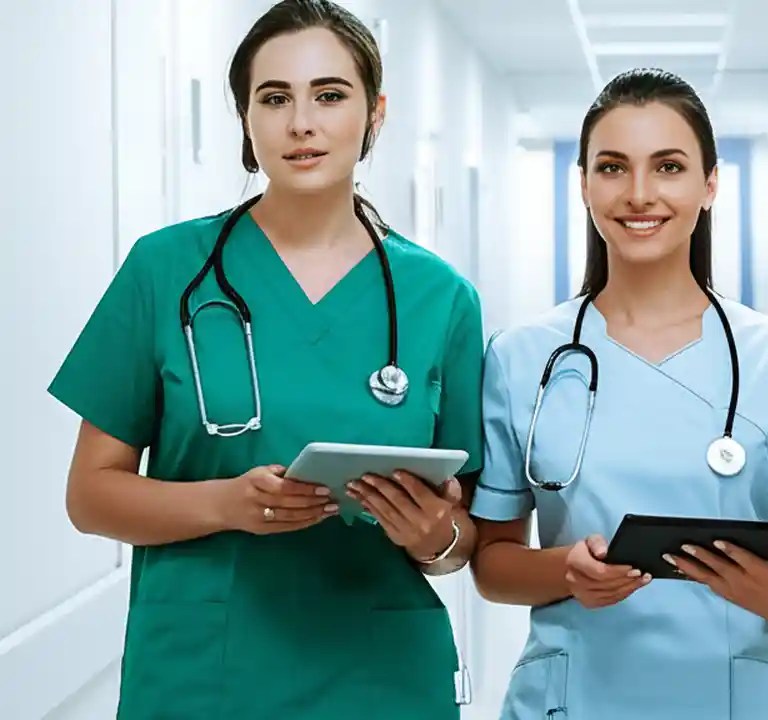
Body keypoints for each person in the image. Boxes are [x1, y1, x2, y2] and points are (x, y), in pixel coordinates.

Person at [46, 2, 482, 717]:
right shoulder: (167, 271)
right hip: (204, 673)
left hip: (379, 677)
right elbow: (90, 496)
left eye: (329, 95)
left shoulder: (441, 298)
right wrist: (225, 503)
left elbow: (467, 535)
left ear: (374, 114)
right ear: (246, 119)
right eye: (274, 98)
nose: (301, 122)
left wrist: (437, 538)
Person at [468, 67, 768, 720]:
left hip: (732, 695)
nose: (639, 194)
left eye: (668, 167)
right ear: (583, 183)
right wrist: (567, 570)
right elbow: (492, 562)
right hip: (573, 695)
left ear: (710, 185)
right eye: (613, 168)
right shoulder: (522, 357)